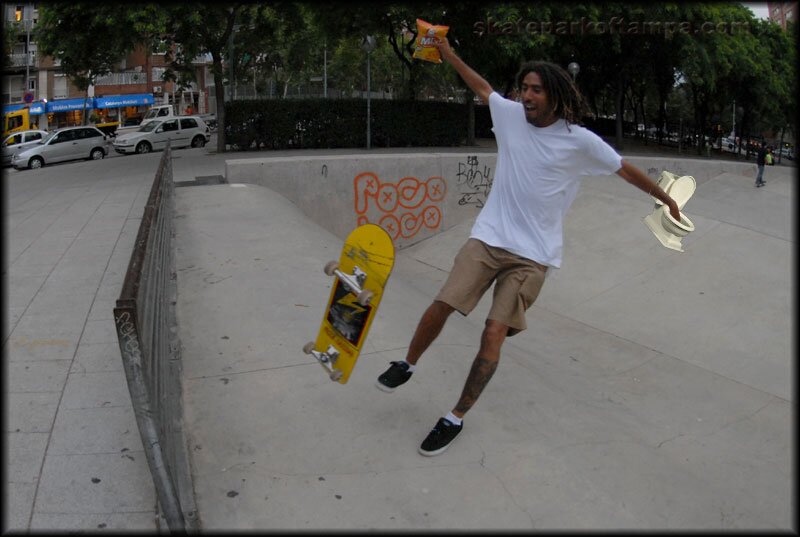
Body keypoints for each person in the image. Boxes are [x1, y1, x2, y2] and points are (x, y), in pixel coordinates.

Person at [375, 36, 681, 457]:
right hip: (489, 238)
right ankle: (407, 363)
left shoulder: (580, 140)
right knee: (444, 301)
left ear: (554, 95)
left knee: (494, 331)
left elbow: (624, 170)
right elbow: (481, 86)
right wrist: (447, 53)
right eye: (523, 88)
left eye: (536, 90)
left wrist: (665, 199)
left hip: (533, 257)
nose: (527, 96)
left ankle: (455, 417)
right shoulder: (509, 115)